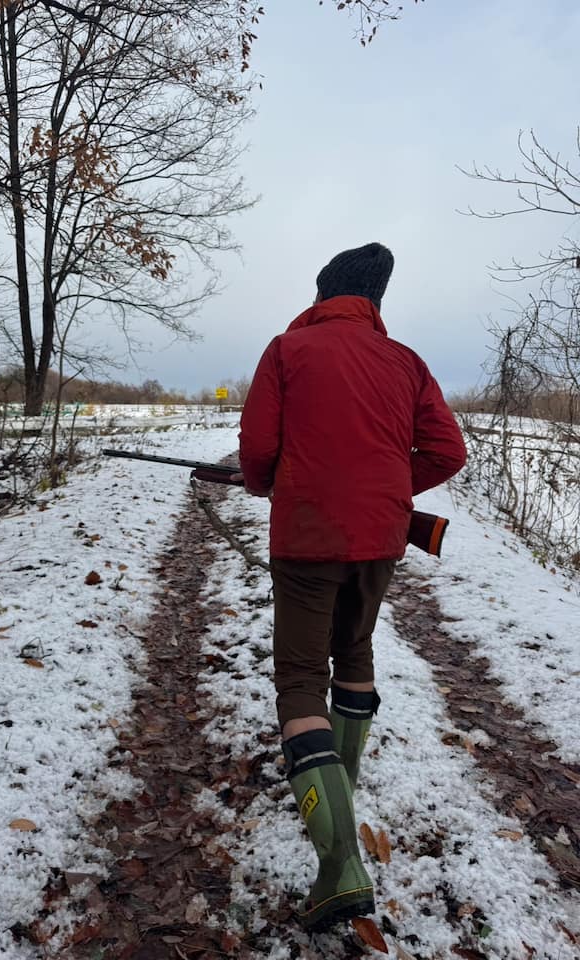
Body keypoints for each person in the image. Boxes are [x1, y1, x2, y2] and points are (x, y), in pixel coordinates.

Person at [237, 242, 466, 929]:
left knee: (300, 676)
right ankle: (339, 788)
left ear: (322, 294)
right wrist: (391, 490)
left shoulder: (286, 351)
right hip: (381, 537)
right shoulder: (408, 362)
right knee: (356, 655)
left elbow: (256, 451)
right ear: (375, 302)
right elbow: (447, 452)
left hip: (306, 536)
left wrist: (271, 485)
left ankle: (339, 864)